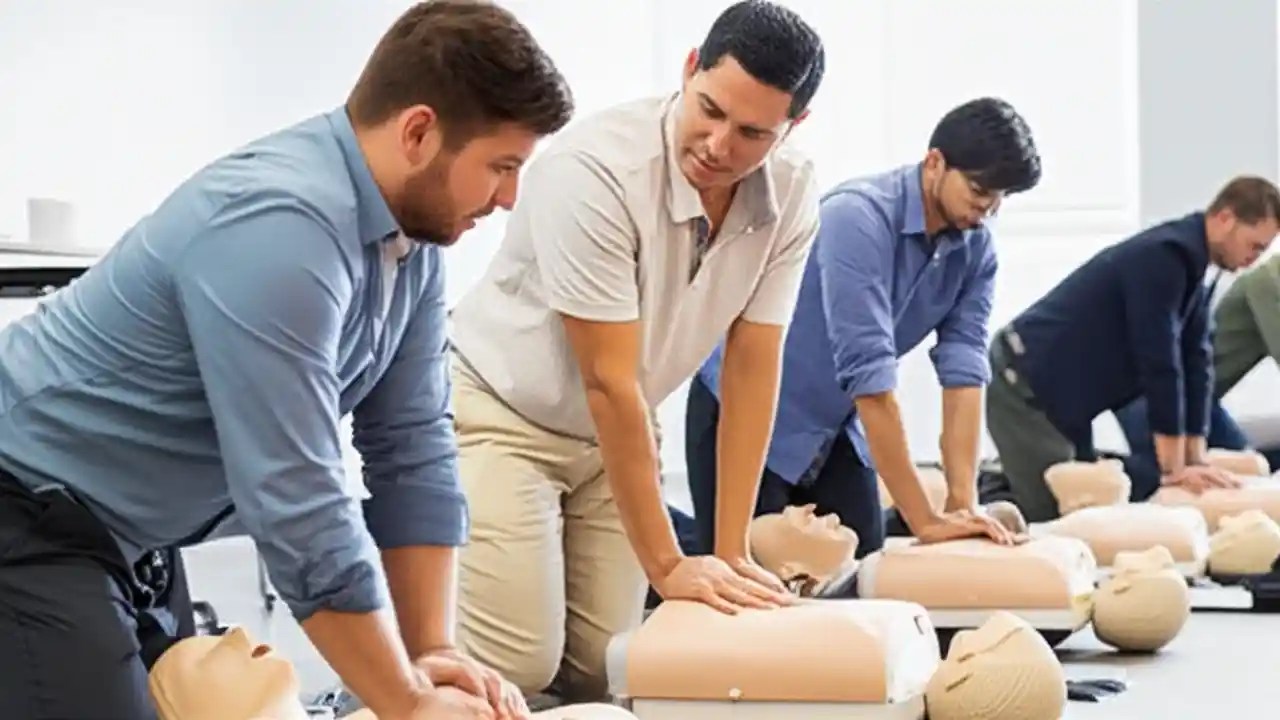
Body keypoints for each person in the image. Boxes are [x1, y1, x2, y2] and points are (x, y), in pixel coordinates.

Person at [0, 2, 573, 718]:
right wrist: (403, 701)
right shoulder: (280, 226)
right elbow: (299, 502)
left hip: (131, 528)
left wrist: (432, 654)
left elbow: (413, 450)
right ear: (420, 132)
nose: (511, 198)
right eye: (502, 166)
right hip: (26, 508)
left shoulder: (413, 242)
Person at [446, 0, 825, 702]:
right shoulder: (594, 172)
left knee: (607, 665)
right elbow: (607, 382)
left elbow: (750, 367)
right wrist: (669, 565)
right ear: (688, 70)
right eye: (708, 109)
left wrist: (729, 549)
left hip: (615, 429)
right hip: (504, 414)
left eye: (751, 132)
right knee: (518, 667)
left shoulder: (794, 192)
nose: (718, 144)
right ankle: (385, 689)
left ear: (791, 127)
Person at [685, 98, 1040, 560]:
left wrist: (962, 501)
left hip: (832, 431)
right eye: (979, 191)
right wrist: (925, 521)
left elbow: (965, 374)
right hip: (744, 412)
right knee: (745, 580)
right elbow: (870, 378)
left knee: (864, 569)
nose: (987, 210)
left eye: (999, 199)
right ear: (935, 163)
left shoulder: (976, 250)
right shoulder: (857, 218)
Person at [986, 176, 1280, 522]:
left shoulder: (1195, 270)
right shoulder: (1164, 256)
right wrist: (1173, 470)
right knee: (1055, 515)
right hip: (1024, 384)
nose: (1253, 259)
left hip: (1067, 398)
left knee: (1087, 509)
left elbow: (1196, 363)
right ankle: (989, 492)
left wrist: (1196, 459)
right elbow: (1159, 362)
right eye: (1255, 246)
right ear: (1225, 219)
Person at [1114, 251, 1280, 497]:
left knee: (1241, 480)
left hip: (1188, 397)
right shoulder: (1269, 281)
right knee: (1241, 484)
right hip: (1156, 396)